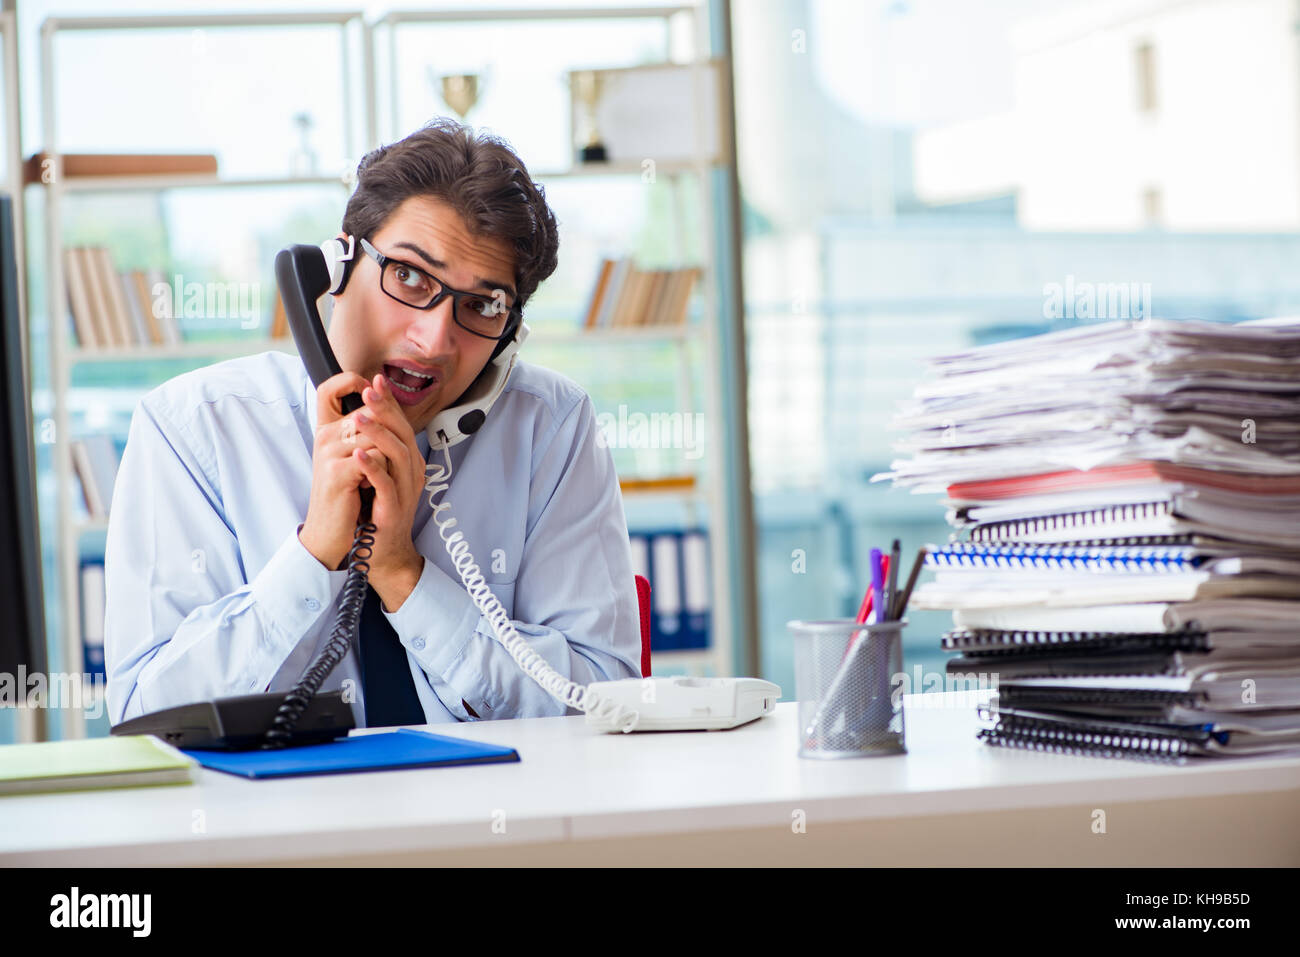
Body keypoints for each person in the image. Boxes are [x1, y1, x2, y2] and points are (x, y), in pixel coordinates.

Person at [104, 118, 642, 728]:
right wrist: (316, 553)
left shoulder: (551, 428)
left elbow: (605, 707)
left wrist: (400, 573)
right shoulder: (195, 428)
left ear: (509, 334)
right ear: (334, 270)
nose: (435, 338)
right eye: (409, 276)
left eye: (483, 305)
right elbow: (145, 716)